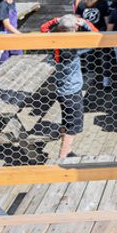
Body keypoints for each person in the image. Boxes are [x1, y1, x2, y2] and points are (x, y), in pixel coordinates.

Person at [41, 14, 91, 161]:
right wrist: (85, 23)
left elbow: (43, 28)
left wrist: (56, 20)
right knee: (73, 127)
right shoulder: (73, 48)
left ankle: (67, 151)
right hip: (72, 91)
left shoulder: (54, 40)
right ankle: (62, 157)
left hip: (61, 89)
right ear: (75, 28)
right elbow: (95, 37)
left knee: (67, 121)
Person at [75, 0, 112, 94]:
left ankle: (90, 81)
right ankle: (106, 82)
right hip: (100, 33)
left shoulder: (82, 3)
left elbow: (77, 20)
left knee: (89, 57)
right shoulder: (103, 3)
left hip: (87, 34)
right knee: (105, 56)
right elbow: (106, 21)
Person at [0, 0, 23, 64]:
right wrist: (20, 34)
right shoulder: (3, 6)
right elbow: (7, 25)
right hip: (5, 36)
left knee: (17, 61)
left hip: (13, 35)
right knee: (4, 63)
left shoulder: (12, 3)